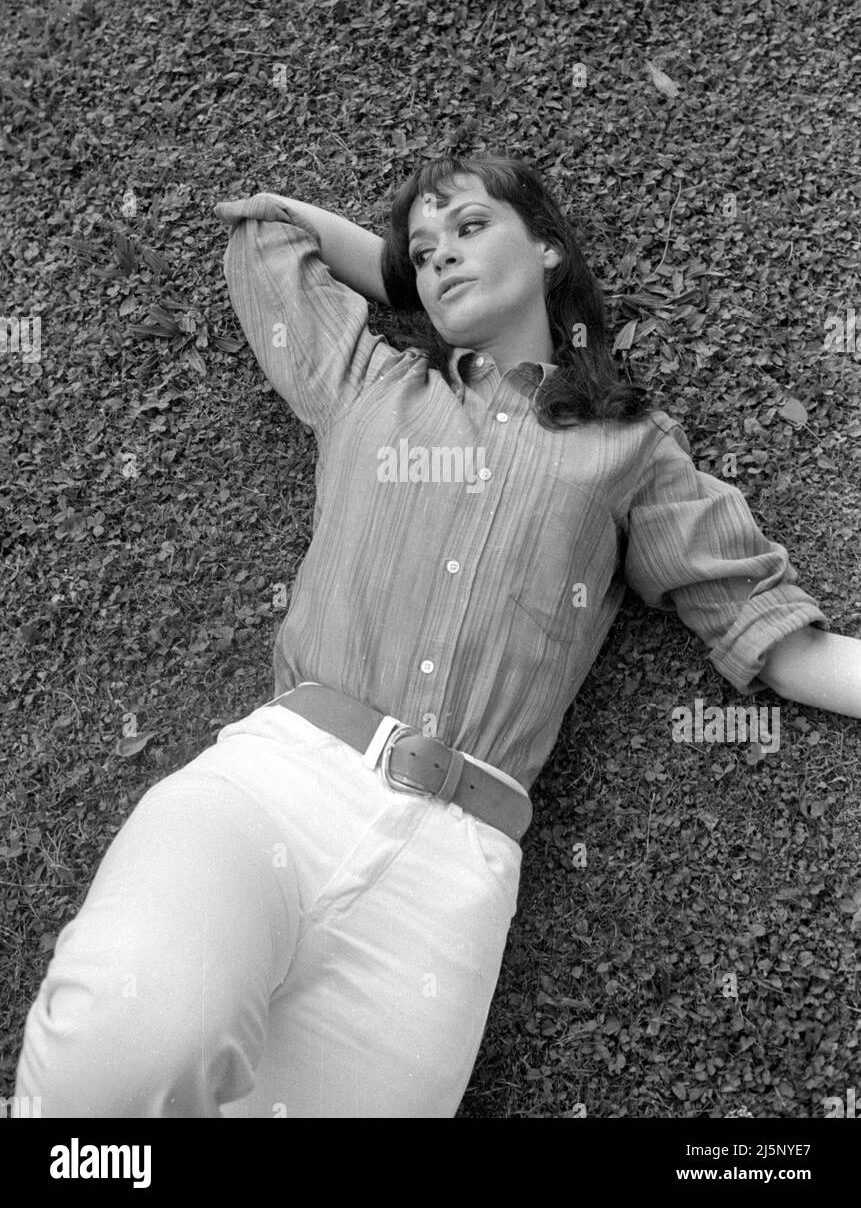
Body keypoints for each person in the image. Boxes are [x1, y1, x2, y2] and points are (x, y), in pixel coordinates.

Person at [14, 153, 861, 1119]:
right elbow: (264, 235)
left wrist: (430, 263)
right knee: (122, 1060)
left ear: (546, 247)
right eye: (422, 251)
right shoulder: (366, 382)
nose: (441, 257)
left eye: (468, 228)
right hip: (276, 789)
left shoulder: (631, 448)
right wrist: (402, 274)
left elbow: (780, 641)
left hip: (452, 878)